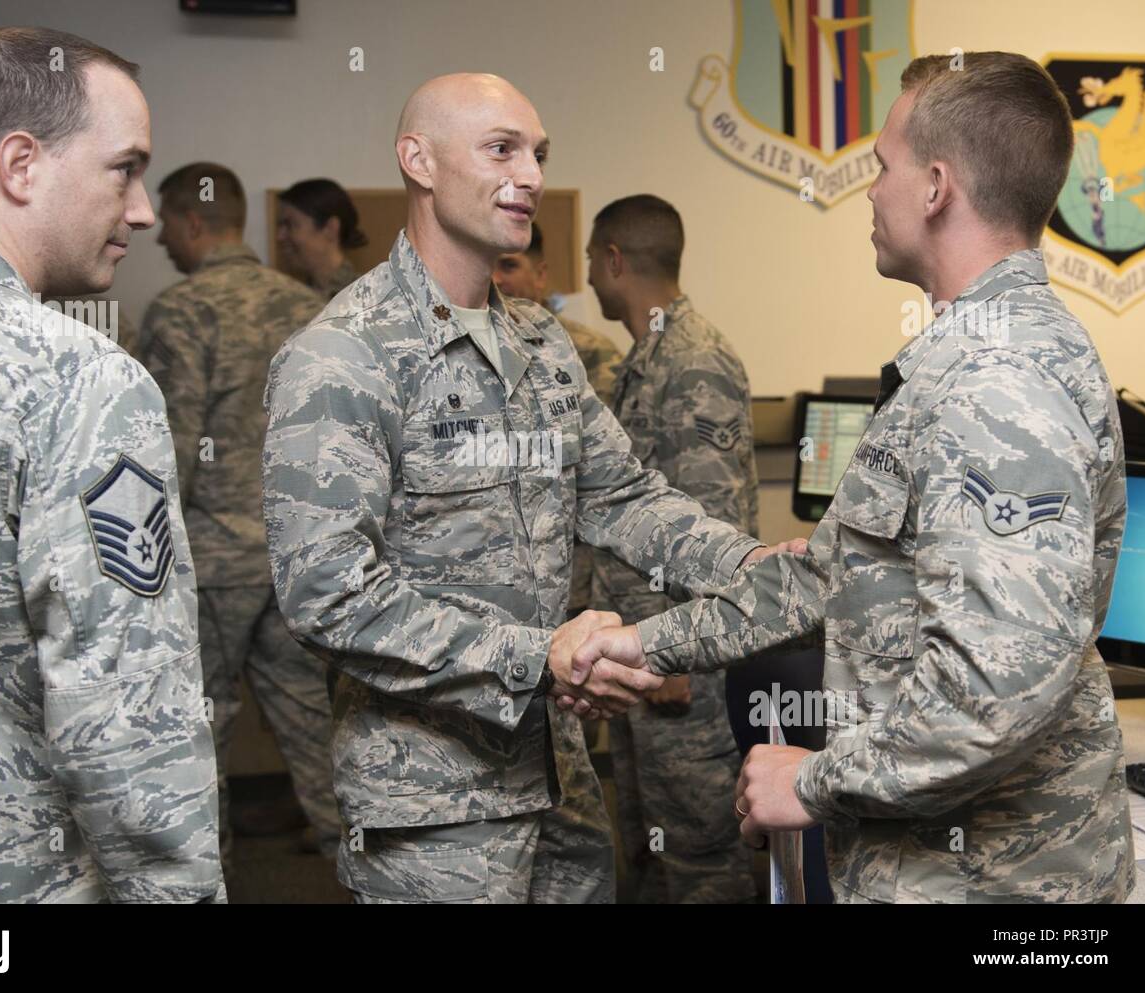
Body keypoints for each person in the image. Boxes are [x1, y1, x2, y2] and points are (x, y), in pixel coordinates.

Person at [576, 52, 1135, 904]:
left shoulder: (998, 382)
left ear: (937, 187)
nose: (871, 192)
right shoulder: (956, 367)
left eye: (882, 168)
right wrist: (644, 644)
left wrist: (809, 780)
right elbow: (828, 571)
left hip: (996, 886)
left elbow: (995, 688)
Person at [261, 71, 789, 904]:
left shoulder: (539, 341)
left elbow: (621, 495)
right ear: (419, 161)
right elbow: (325, 593)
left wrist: (751, 558)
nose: (533, 175)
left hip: (560, 777)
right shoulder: (342, 356)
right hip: (434, 808)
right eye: (502, 149)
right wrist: (532, 656)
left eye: (539, 154)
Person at [0, 27, 223, 902]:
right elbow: (130, 724)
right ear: (21, 165)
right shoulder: (77, 378)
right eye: (123, 168)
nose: (142, 210)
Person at [140, 162, 336, 874]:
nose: (158, 238)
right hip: (298, 558)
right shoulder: (307, 306)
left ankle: (200, 886)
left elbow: (170, 454)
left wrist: (146, 577)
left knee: (197, 735)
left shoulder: (180, 310)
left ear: (192, 222)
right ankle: (379, 884)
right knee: (317, 730)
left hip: (212, 565)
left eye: (164, 221)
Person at [585, 193, 760, 903]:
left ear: (615, 260)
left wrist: (677, 651)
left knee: (699, 852)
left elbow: (710, 521)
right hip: (642, 655)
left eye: (594, 261)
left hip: (682, 668)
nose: (590, 278)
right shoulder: (648, 356)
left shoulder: (692, 361)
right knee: (649, 840)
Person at [493, 222, 622, 619]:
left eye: (510, 266)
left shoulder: (585, 352)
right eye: (489, 267)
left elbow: (606, 475)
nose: (497, 279)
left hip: (572, 581)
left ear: (541, 275)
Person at [275, 178, 365, 299]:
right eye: (280, 225)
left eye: (290, 224)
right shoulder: (291, 298)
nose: (280, 236)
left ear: (330, 228)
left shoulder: (366, 296)